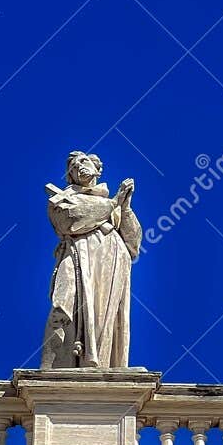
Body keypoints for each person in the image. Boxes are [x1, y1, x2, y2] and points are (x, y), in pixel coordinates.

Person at [42, 151, 140, 369]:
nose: (78, 167)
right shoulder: (63, 198)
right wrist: (114, 202)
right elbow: (70, 221)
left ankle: (101, 363)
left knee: (104, 315)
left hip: (111, 258)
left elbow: (133, 245)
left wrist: (125, 208)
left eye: (83, 161)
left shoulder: (113, 203)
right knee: (64, 305)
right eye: (73, 167)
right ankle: (62, 364)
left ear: (98, 169)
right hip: (80, 254)